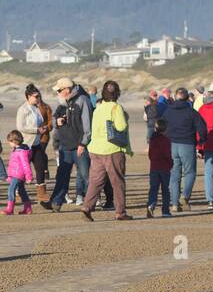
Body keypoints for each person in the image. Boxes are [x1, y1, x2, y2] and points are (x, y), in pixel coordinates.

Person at [80, 79, 133, 221]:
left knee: (95, 181)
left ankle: (87, 207)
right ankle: (120, 212)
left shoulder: (98, 109)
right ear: (117, 94)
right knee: (117, 182)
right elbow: (121, 127)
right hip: (112, 149)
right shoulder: (116, 108)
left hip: (96, 149)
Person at [46, 77, 91, 211]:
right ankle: (55, 202)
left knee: (86, 176)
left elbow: (87, 125)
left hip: (79, 146)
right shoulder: (62, 102)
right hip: (64, 146)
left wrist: (83, 144)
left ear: (67, 89)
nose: (58, 93)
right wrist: (57, 122)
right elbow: (54, 119)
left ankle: (90, 203)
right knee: (61, 176)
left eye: (59, 90)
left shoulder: (83, 100)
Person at [161, 86, 206, 211]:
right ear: (187, 98)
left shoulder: (168, 111)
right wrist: (201, 141)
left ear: (175, 98)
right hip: (187, 144)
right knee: (190, 172)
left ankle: (175, 204)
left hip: (172, 145)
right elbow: (202, 128)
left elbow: (160, 126)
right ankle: (184, 197)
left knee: (174, 174)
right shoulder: (191, 112)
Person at [146, 117, 173, 218]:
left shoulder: (153, 140)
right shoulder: (166, 140)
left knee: (153, 188)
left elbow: (150, 154)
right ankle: (165, 211)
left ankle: (151, 204)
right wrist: (170, 163)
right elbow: (167, 154)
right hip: (164, 167)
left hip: (154, 167)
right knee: (165, 190)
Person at [2, 130, 33, 215]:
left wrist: (29, 176)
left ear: (15, 141)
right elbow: (12, 164)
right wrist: (9, 176)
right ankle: (28, 208)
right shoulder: (16, 150)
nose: (9, 144)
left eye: (10, 142)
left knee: (11, 189)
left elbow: (25, 164)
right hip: (15, 174)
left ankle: (10, 208)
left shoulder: (22, 152)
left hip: (18, 175)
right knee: (21, 191)